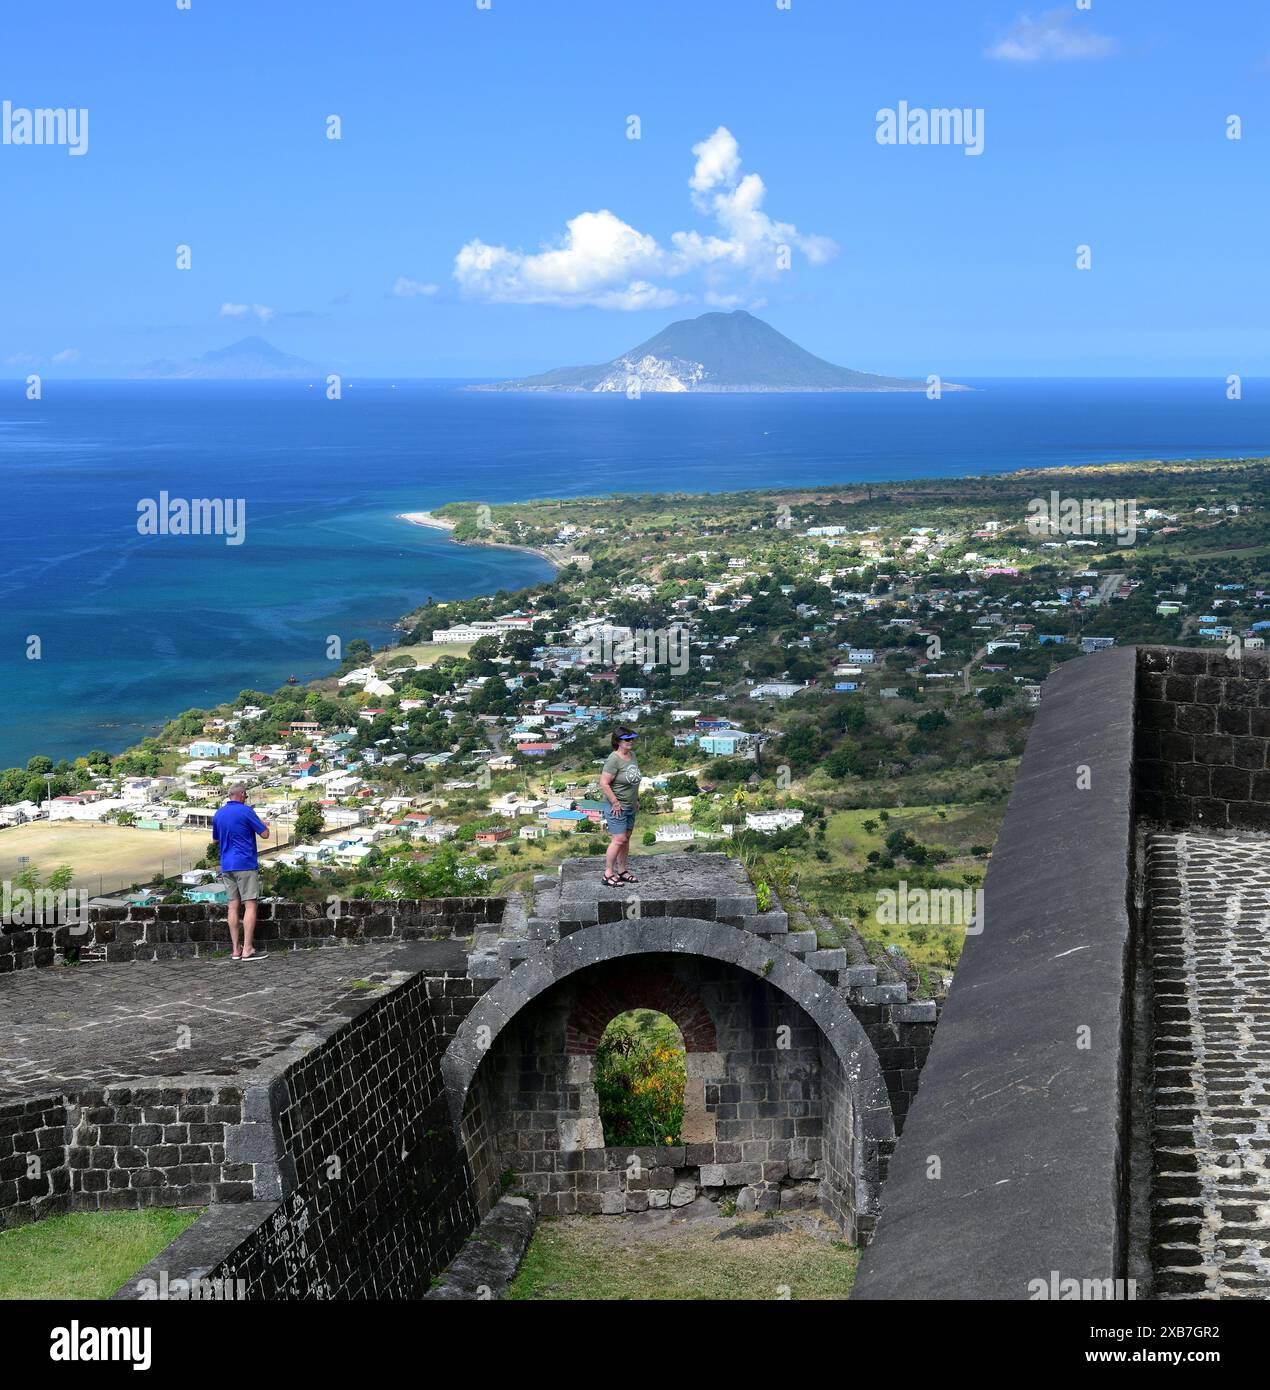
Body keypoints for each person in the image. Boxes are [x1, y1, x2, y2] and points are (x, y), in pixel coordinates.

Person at [211, 783, 271, 961]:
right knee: (250, 905)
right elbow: (265, 834)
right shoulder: (246, 811)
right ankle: (248, 949)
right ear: (242, 794)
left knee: (233, 905)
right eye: (246, 795)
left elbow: (215, 840)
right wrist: (261, 823)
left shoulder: (219, 814)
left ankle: (236, 949)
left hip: (226, 864)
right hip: (245, 863)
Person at [599, 727, 640, 887]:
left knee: (626, 839)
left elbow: (633, 780)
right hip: (617, 806)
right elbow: (604, 783)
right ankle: (608, 873)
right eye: (627, 739)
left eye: (631, 739)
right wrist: (615, 802)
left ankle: (622, 871)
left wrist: (636, 799)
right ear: (617, 742)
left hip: (630, 805)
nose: (631, 742)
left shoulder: (632, 756)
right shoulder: (613, 760)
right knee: (618, 839)